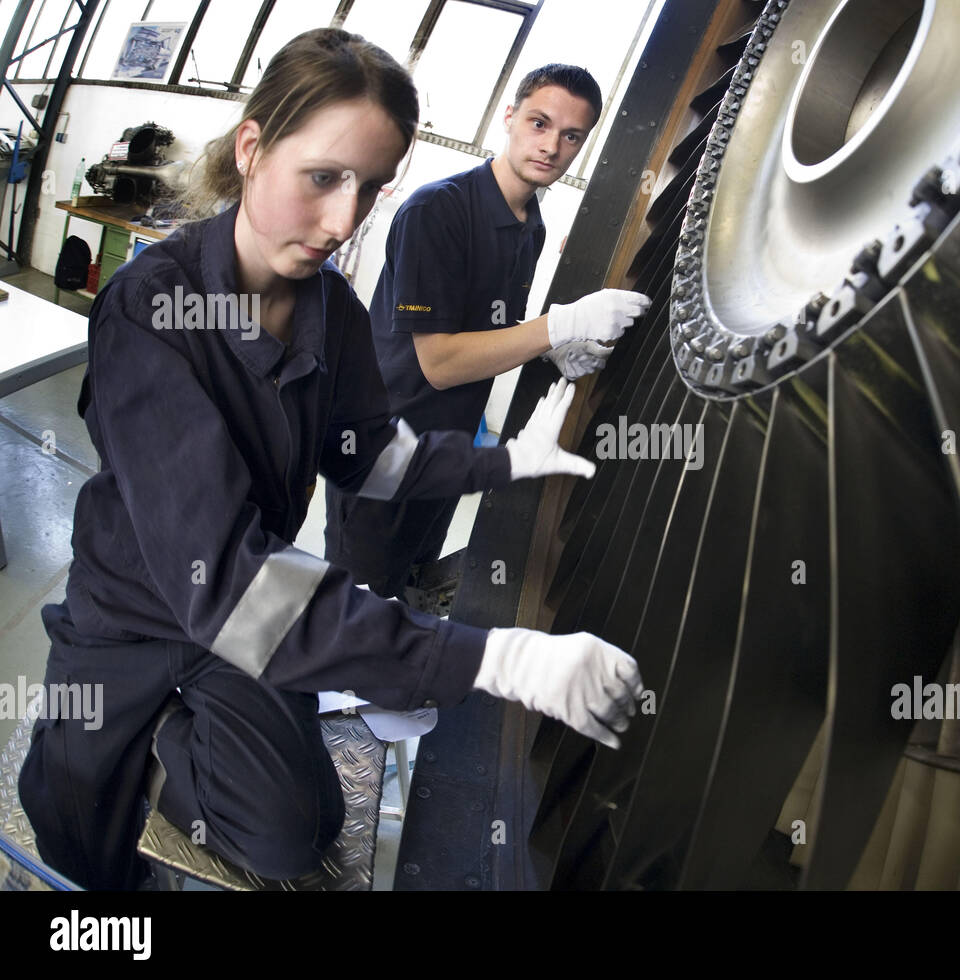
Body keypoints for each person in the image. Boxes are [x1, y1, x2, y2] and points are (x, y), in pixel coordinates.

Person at [17, 28, 641, 892]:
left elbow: (369, 457)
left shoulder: (333, 311)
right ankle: (127, 742)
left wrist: (502, 464)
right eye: (323, 178)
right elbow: (224, 583)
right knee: (75, 833)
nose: (345, 221)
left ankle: (174, 739)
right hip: (141, 606)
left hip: (247, 613)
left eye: (371, 188)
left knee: (292, 836)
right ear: (251, 148)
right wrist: (500, 659)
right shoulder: (151, 306)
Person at [324, 63, 651, 599]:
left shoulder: (531, 227)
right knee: (361, 603)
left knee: (412, 583)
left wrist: (549, 349)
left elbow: (489, 328)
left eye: (572, 136)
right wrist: (557, 325)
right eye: (539, 123)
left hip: (451, 449)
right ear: (509, 116)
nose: (551, 146)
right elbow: (440, 362)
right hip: (386, 445)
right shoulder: (438, 210)